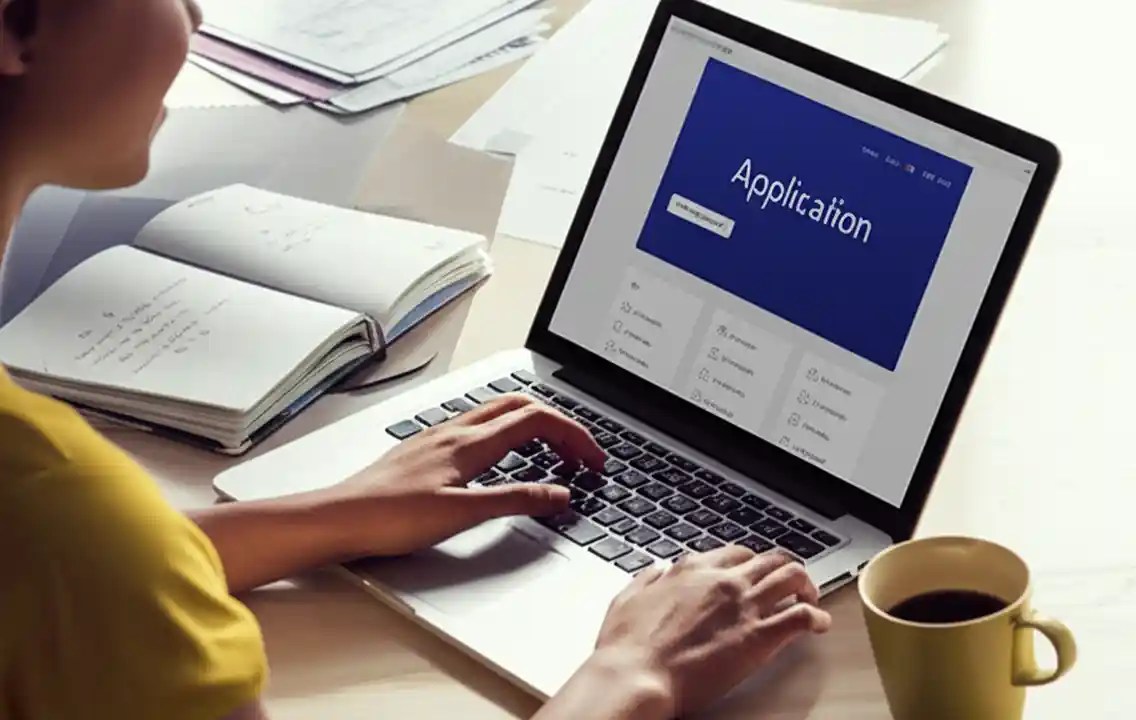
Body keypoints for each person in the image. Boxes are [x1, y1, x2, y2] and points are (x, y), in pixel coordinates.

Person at [0, 1, 833, 719]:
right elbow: (73, 555)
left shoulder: (59, 522)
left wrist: (336, 514)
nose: (195, 14)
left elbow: (71, 573)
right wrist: (633, 677)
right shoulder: (52, 504)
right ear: (16, 27)